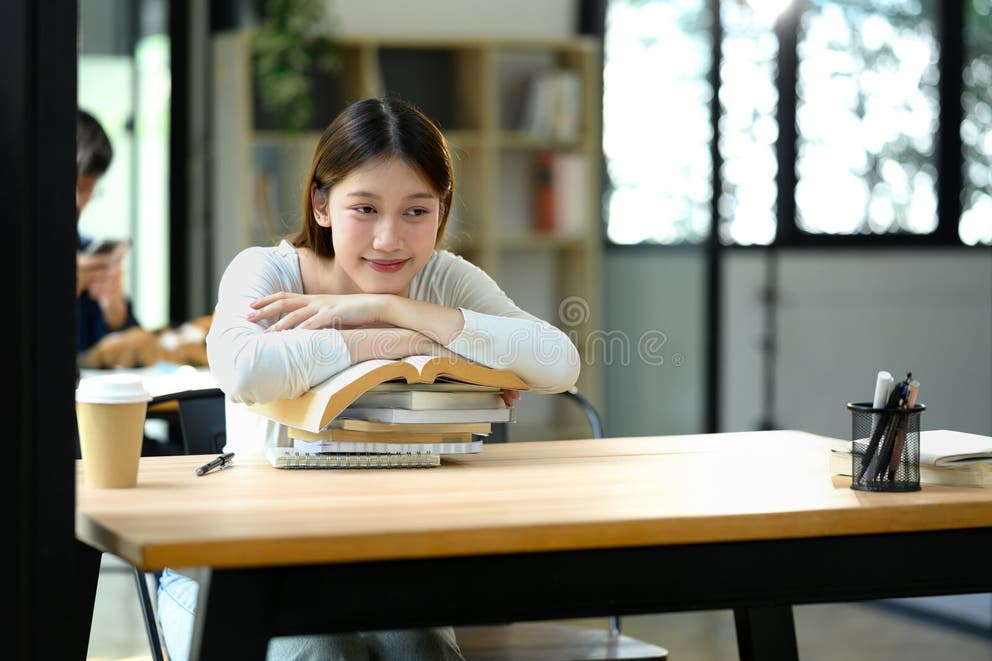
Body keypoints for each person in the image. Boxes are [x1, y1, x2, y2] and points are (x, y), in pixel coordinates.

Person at [156, 96, 580, 661]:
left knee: (425, 649)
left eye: (415, 211)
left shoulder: (444, 280)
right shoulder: (265, 270)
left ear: (441, 211)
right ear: (322, 204)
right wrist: (406, 342)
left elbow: (557, 361)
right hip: (236, 571)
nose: (389, 239)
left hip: (376, 568)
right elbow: (247, 371)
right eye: (364, 209)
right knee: (323, 651)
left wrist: (403, 311)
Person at [76, 108, 140, 355]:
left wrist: (115, 313)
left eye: (86, 188)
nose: (78, 201)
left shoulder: (87, 253)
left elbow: (133, 354)